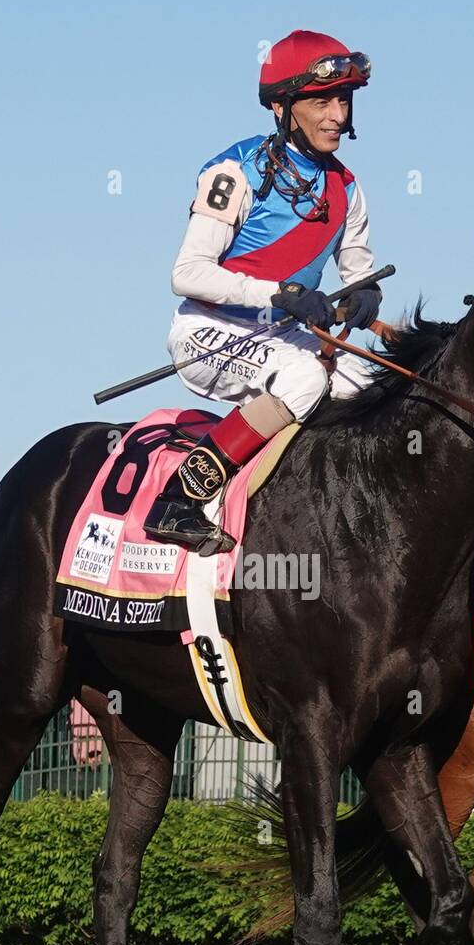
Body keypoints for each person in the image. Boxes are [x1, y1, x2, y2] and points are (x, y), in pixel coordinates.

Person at [143, 29, 382, 554]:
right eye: (322, 101)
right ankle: (179, 498)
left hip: (281, 337)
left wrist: (364, 298)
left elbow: (357, 271)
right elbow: (186, 273)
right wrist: (278, 294)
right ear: (282, 106)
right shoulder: (235, 172)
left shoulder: (348, 188)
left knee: (370, 393)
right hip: (208, 331)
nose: (338, 115)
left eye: (343, 100)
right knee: (303, 380)